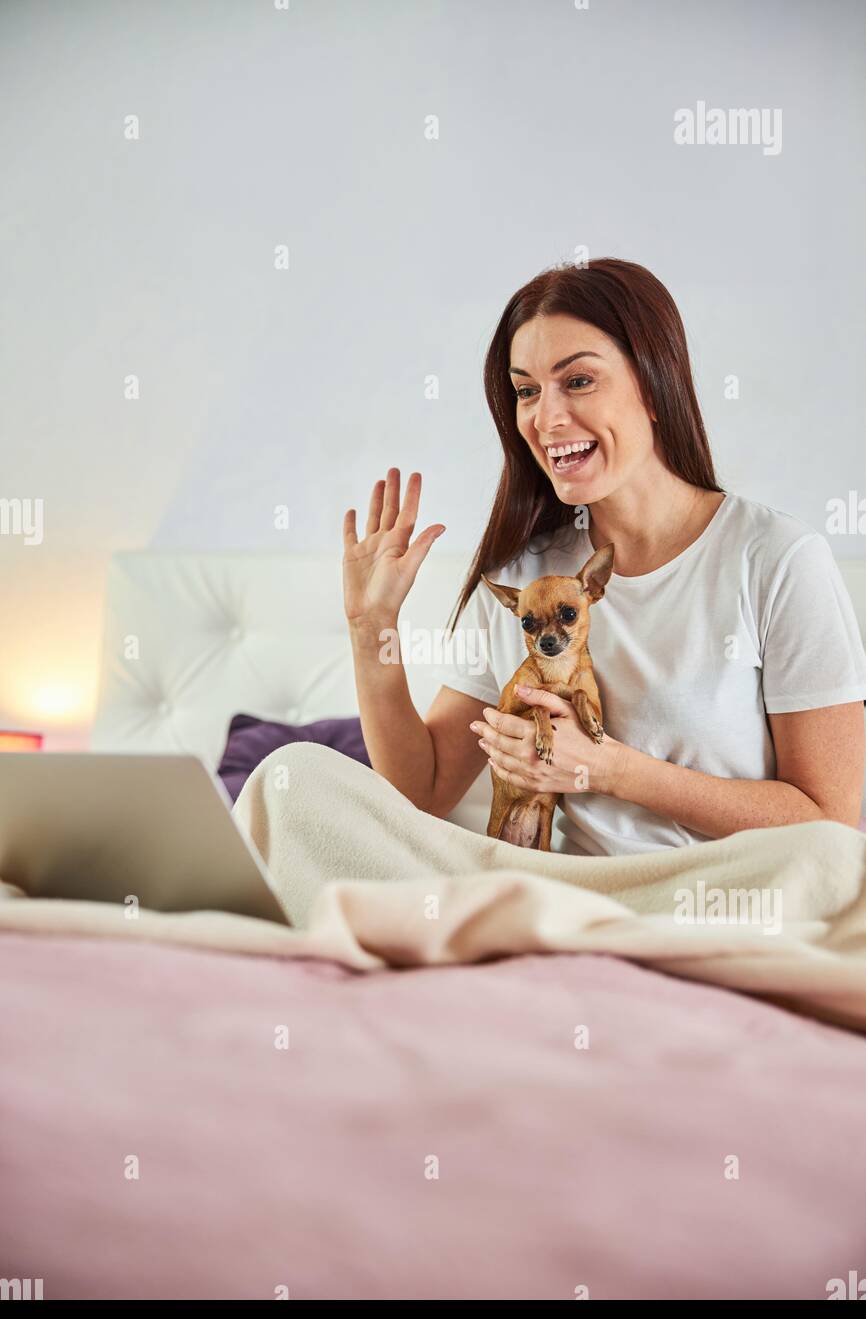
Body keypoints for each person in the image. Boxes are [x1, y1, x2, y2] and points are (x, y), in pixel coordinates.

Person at [235, 258, 866, 928]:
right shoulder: (526, 574)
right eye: (527, 391)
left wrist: (609, 769)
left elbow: (827, 821)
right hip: (557, 891)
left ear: (655, 386)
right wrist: (371, 630)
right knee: (295, 778)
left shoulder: (776, 558)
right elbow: (416, 797)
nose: (546, 416)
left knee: (828, 867)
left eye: (579, 380)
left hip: (713, 896)